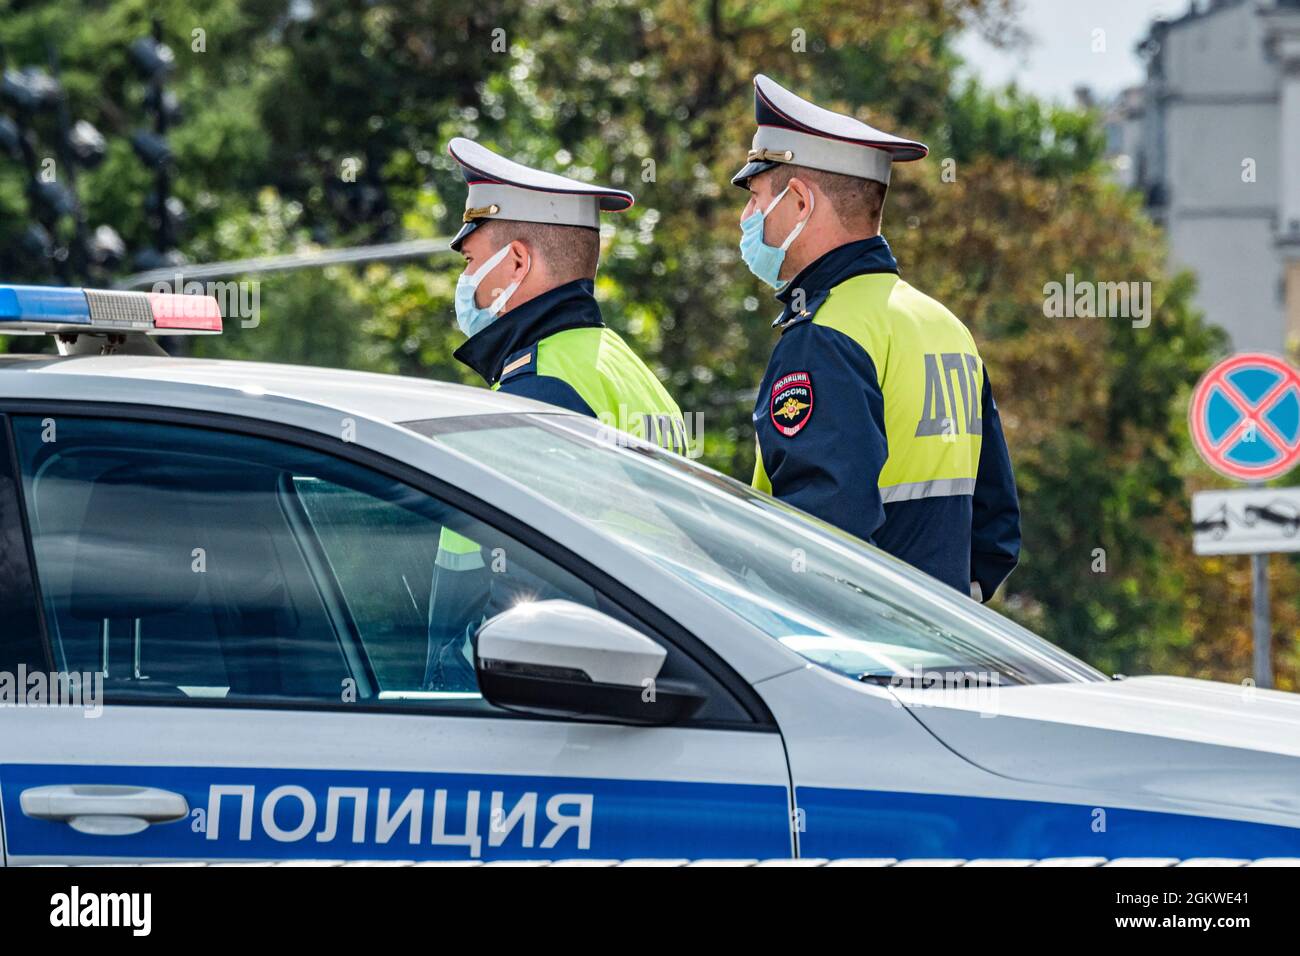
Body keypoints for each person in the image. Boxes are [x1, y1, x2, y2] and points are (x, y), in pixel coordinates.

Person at [731, 75, 1020, 602]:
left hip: (855, 665)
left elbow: (820, 539)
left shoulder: (823, 336)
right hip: (944, 656)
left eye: (755, 198)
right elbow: (996, 532)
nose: (746, 218)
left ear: (798, 201)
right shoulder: (945, 325)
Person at [447, 137, 688, 454]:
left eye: (470, 261)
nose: (465, 278)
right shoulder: (631, 369)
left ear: (517, 262)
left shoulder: (537, 391)